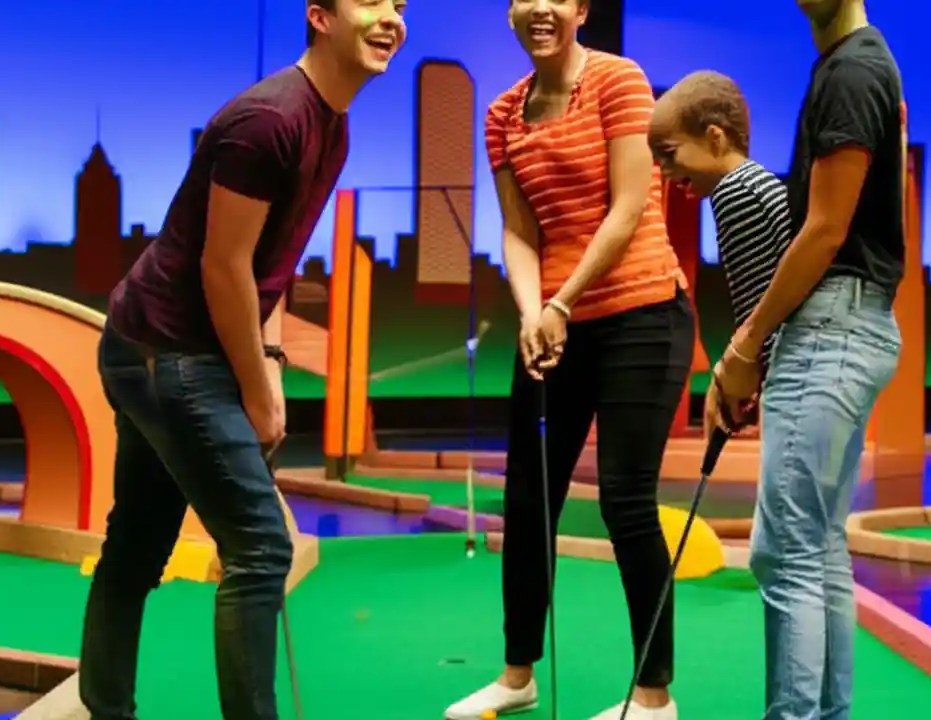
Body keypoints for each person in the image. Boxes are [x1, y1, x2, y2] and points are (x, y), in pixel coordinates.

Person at [77, 2, 406, 718]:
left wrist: (268, 358)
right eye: (372, 2)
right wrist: (258, 392)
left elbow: (266, 264)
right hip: (166, 352)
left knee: (133, 551)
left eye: (402, 6)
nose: (391, 19)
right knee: (261, 548)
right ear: (319, 16)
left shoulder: (333, 124)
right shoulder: (270, 119)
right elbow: (222, 268)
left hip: (164, 346)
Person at [443, 2, 693, 719]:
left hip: (641, 311)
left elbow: (628, 206)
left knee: (625, 500)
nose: (540, 9)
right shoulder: (501, 114)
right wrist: (533, 312)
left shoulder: (620, 80)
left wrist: (563, 301)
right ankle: (517, 676)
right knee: (527, 502)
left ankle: (653, 697)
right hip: (553, 321)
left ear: (581, 9)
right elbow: (519, 231)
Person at [709, 1, 906, 718]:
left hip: (832, 325)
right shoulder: (855, 62)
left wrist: (744, 345)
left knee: (788, 552)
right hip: (851, 323)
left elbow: (824, 231)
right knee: (815, 547)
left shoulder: (853, 70)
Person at [648, 70, 792, 370]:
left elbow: (755, 302)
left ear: (715, 137)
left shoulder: (736, 191)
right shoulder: (756, 182)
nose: (664, 171)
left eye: (670, 154)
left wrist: (743, 373)